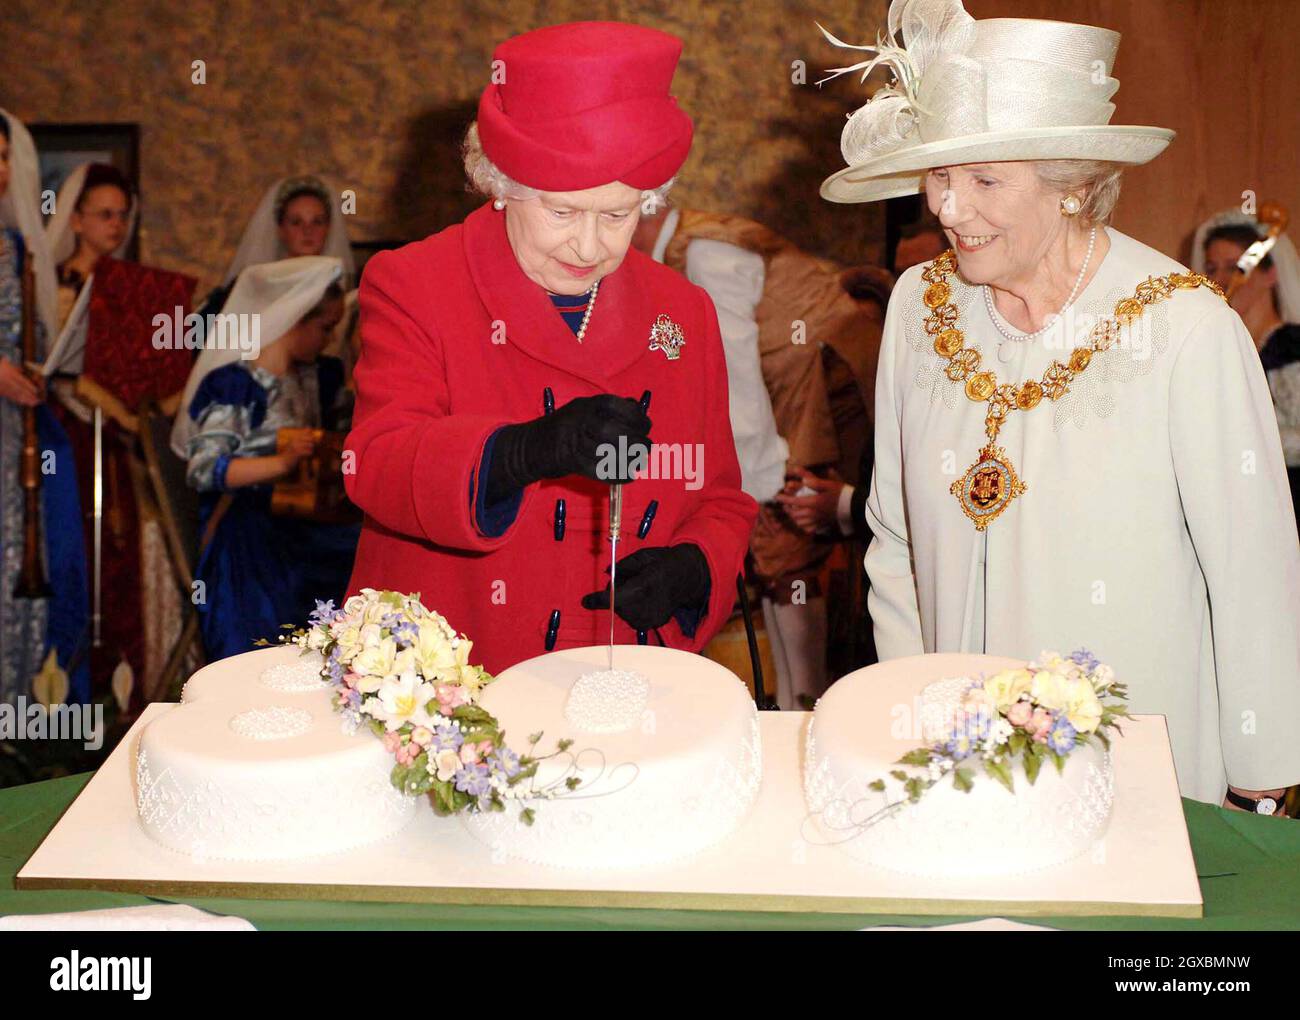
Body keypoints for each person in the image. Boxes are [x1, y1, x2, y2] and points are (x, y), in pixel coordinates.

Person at [817, 0, 1300, 811]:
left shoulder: (1185, 326)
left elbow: (1252, 569)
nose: (947, 208)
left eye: (983, 180)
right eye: (939, 174)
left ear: (1072, 187)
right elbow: (893, 535)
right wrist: (910, 712)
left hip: (1141, 756)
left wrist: (1263, 780)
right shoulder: (917, 305)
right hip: (954, 756)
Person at [344, 21, 757, 675]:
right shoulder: (415, 284)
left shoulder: (684, 314)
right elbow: (374, 462)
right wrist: (519, 453)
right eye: (562, 213)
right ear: (499, 184)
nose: (590, 246)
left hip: (622, 679)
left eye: (619, 215)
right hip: (456, 682)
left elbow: (721, 498)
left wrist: (696, 566)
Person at [631, 205, 882, 707]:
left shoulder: (704, 251)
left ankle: (809, 703)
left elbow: (735, 373)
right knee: (781, 553)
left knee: (791, 545)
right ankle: (794, 702)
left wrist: (759, 480)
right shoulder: (689, 247)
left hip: (829, 383)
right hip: (798, 388)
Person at [172, 256, 355, 660]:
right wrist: (280, 464)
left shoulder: (304, 379)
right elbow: (203, 469)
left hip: (289, 520)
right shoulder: (234, 384)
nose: (328, 340)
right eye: (325, 328)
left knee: (361, 545)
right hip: (243, 529)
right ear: (294, 319)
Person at [0, 109, 89, 705]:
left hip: (15, 430)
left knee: (18, 566)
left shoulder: (13, 245)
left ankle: (15, 706)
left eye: (4, 156)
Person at [1193, 211, 1300, 533]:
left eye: (1236, 267)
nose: (1223, 279)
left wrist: (1240, 446)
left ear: (1270, 274)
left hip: (1287, 502)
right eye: (1212, 269)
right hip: (1233, 505)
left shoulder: (1290, 347)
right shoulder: (1217, 349)